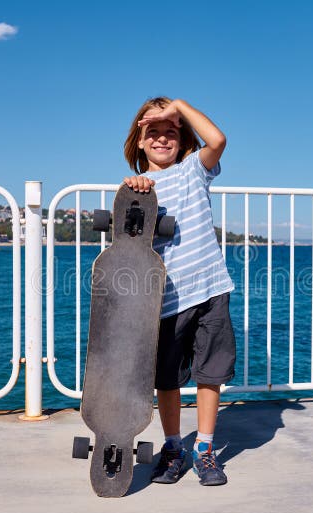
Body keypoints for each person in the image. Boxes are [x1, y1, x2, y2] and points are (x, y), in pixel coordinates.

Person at [122, 97, 236, 486]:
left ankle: (204, 449)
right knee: (167, 379)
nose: (162, 138)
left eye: (171, 131)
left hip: (210, 289)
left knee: (210, 374)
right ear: (139, 141)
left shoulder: (194, 170)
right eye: (152, 131)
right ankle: (174, 447)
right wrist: (135, 190)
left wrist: (179, 107)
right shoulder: (136, 189)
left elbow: (217, 140)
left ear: (183, 138)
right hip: (165, 297)